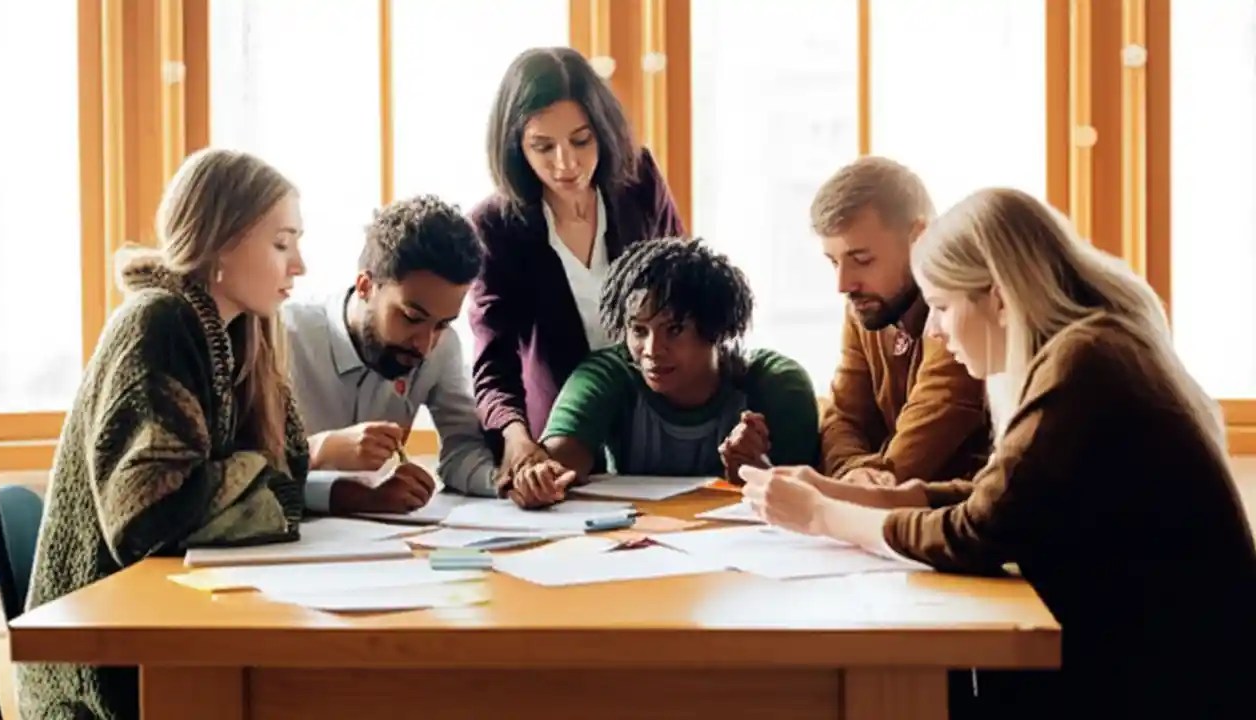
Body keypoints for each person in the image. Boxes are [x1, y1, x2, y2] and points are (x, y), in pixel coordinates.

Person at [739, 188, 1256, 718]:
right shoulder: (1091, 347)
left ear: (1001, 298)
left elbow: (975, 532)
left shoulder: (1084, 363)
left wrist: (823, 516)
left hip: (1165, 684)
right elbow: (1002, 496)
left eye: (942, 307)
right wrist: (847, 493)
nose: (934, 329)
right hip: (1145, 658)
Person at [19, 149, 311, 720]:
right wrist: (268, 488)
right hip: (102, 679)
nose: (298, 264)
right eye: (282, 244)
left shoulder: (239, 335)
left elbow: (290, 468)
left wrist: (265, 486)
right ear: (222, 243)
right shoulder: (158, 324)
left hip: (162, 632)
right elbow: (150, 516)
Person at [468, 46, 684, 489]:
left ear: (603, 131)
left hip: (657, 429)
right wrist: (517, 439)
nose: (565, 163)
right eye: (543, 147)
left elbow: (688, 293)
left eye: (581, 141)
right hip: (559, 446)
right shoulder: (495, 228)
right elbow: (493, 364)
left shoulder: (639, 182)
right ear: (515, 147)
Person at [506, 238, 820, 508]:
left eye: (675, 329)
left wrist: (757, 469)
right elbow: (558, 464)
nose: (652, 350)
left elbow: (807, 497)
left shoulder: (777, 385)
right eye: (639, 330)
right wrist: (538, 479)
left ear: (717, 328)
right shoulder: (607, 375)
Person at [283, 195, 499, 510]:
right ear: (365, 286)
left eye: (442, 324)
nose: (425, 345)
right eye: (412, 318)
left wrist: (506, 480)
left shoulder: (442, 347)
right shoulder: (283, 339)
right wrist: (315, 451)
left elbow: (463, 449)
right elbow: (240, 479)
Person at [798, 156, 991, 485]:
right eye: (834, 262)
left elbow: (924, 435)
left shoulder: (961, 312)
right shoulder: (867, 305)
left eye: (862, 259)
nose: (843, 284)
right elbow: (844, 417)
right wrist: (853, 474)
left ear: (919, 238)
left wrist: (863, 486)